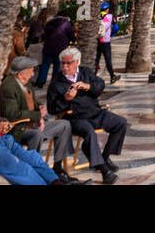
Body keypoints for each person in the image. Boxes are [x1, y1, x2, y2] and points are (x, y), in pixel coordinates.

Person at [47, 47, 127, 184]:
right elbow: (52, 108)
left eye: (68, 63)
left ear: (77, 62)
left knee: (121, 122)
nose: (65, 66)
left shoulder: (85, 72)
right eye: (63, 63)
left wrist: (88, 86)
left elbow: (100, 85)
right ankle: (104, 171)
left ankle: (105, 156)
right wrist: (65, 99)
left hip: (95, 112)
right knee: (89, 132)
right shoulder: (56, 82)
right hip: (74, 118)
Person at [0, 56, 80, 181]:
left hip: (34, 124)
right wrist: (38, 116)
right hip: (18, 128)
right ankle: (32, 171)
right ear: (21, 74)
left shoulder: (27, 84)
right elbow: (13, 114)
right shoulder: (8, 87)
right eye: (31, 71)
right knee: (37, 134)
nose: (32, 74)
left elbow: (32, 103)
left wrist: (40, 108)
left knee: (64, 125)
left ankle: (57, 169)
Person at [38, 11, 74, 87]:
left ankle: (41, 82)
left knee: (45, 65)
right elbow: (71, 34)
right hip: (60, 49)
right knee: (57, 66)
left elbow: (44, 35)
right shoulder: (66, 23)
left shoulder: (49, 23)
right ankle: (54, 82)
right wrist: (72, 40)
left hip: (48, 48)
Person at [94, 2, 120, 83]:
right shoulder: (110, 16)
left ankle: (92, 78)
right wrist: (110, 35)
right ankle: (112, 77)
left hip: (97, 41)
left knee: (96, 61)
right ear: (107, 9)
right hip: (106, 42)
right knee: (108, 60)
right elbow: (116, 28)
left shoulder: (97, 17)